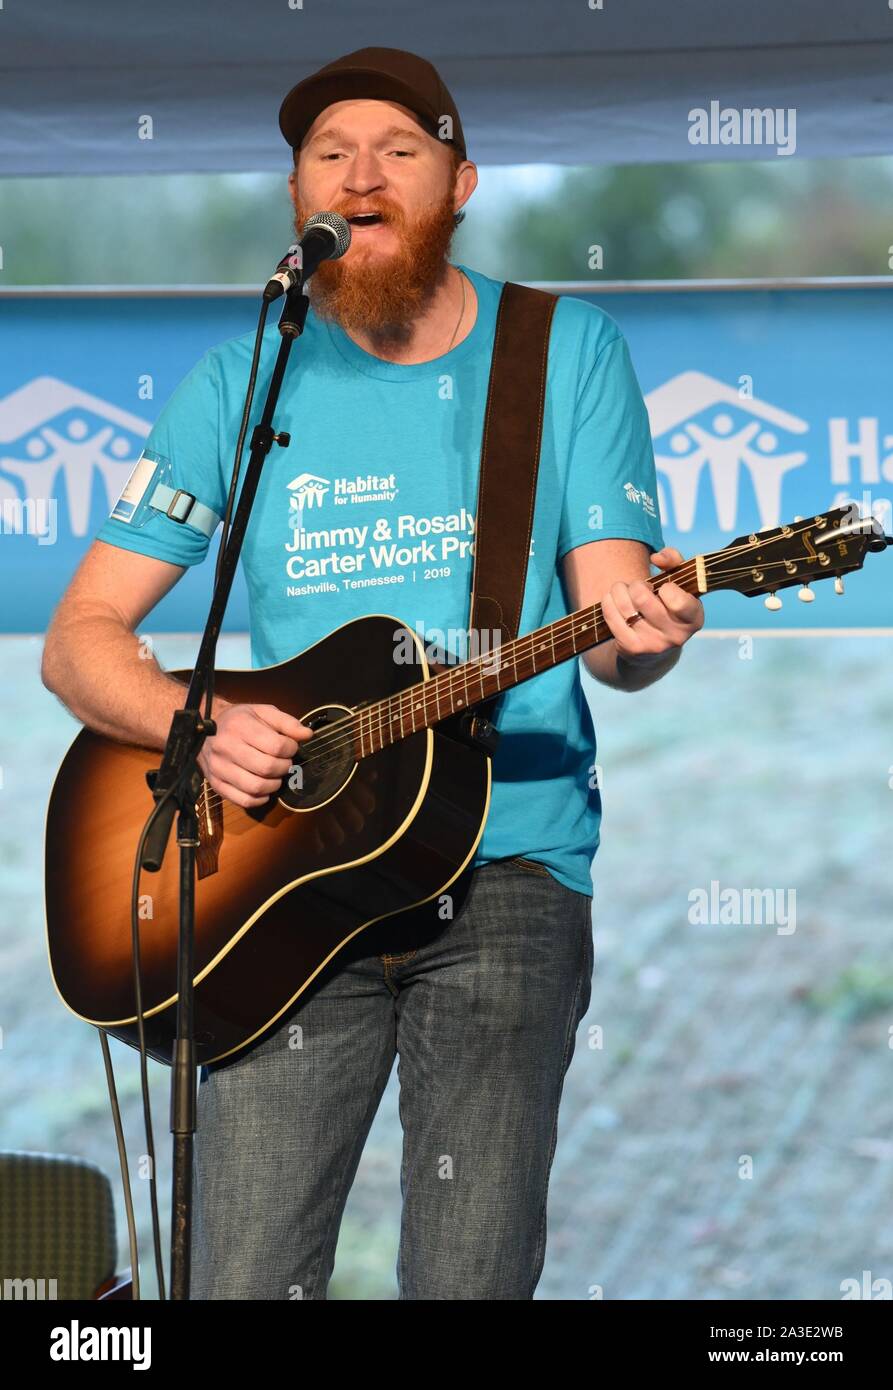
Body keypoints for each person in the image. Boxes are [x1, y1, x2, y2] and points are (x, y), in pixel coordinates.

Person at [41, 47, 705, 1299]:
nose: (361, 177)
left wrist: (648, 631)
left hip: (504, 870)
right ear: (297, 193)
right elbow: (80, 638)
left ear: (460, 182)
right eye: (330, 155)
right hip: (278, 887)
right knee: (239, 1278)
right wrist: (197, 721)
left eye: (399, 151)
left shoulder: (561, 349)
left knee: (467, 1278)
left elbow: (616, 634)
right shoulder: (247, 374)